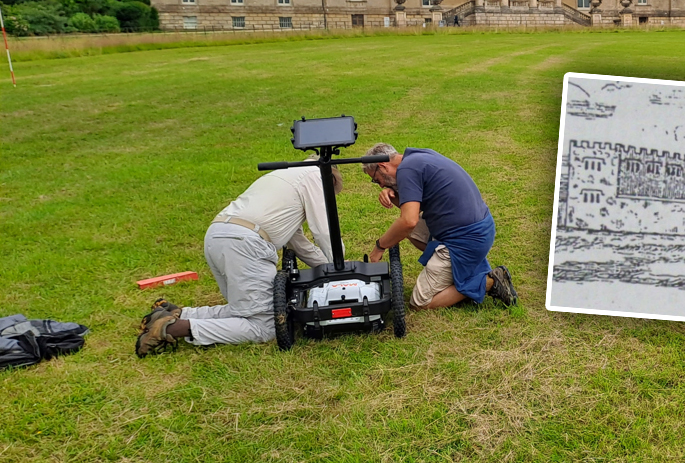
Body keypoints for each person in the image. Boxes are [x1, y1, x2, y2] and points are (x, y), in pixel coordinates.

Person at [135, 158, 342, 356]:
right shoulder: (316, 175)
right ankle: (175, 328)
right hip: (246, 244)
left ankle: (178, 313)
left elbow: (299, 244)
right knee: (265, 325)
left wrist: (329, 269)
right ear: (330, 182)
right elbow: (325, 231)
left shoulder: (285, 177)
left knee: (244, 311)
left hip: (219, 235)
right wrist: (343, 271)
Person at [362, 143, 517, 310]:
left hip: (465, 239)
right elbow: (414, 209)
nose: (381, 185)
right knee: (406, 231)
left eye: (376, 179)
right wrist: (392, 194)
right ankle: (462, 269)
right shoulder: (415, 158)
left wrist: (380, 246)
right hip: (478, 229)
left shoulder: (407, 171)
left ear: (382, 166)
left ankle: (490, 282)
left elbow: (409, 220)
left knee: (420, 302)